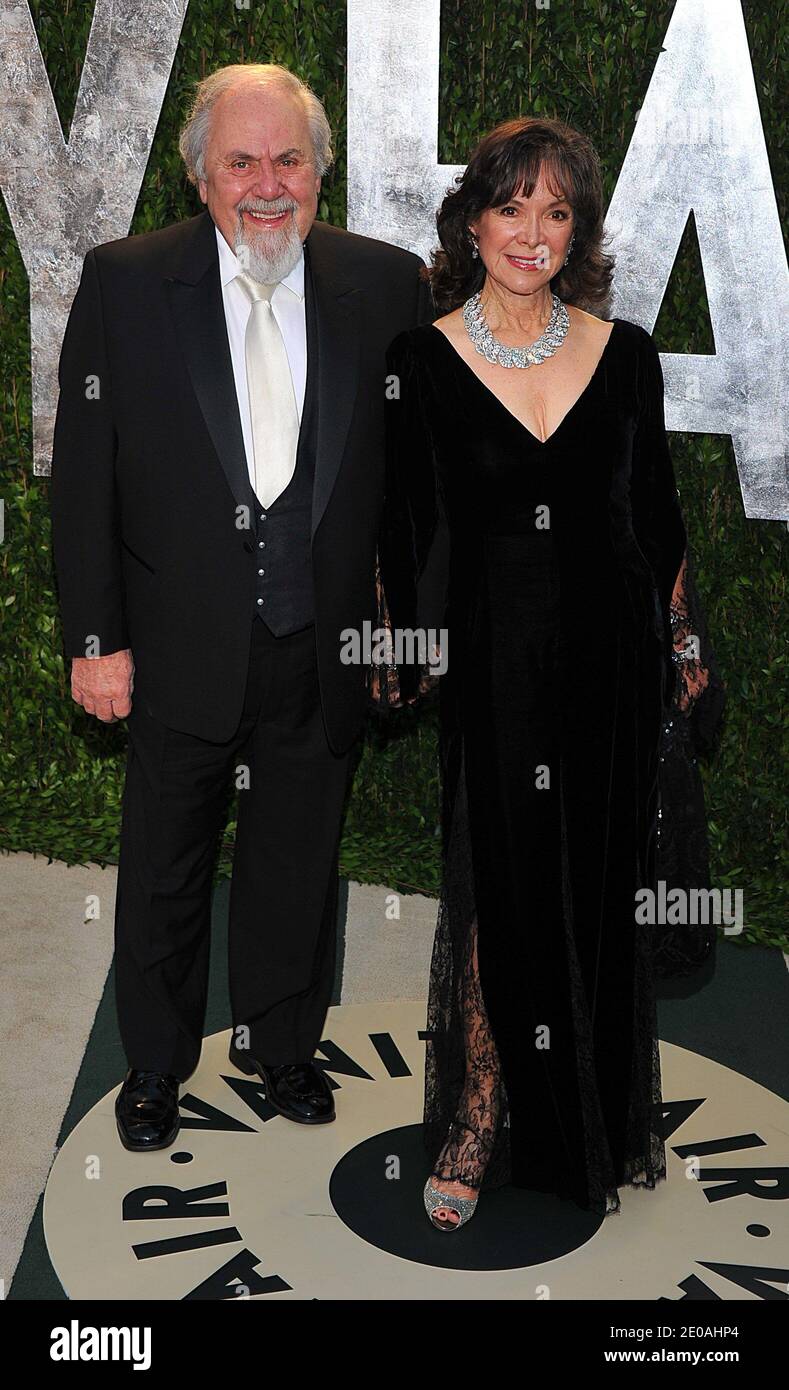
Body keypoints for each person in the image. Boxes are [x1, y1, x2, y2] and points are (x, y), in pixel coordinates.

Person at [50, 63, 432, 1152]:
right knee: (164, 870)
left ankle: (284, 1045)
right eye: (242, 162)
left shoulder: (386, 283)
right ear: (202, 177)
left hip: (319, 648)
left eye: (290, 160)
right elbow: (86, 480)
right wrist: (97, 640)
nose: (269, 184)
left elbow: (410, 491)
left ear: (320, 170)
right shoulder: (126, 282)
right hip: (175, 650)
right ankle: (156, 1069)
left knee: (295, 864)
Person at [377, 116, 691, 1229]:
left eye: (556, 212)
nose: (531, 232)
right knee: (495, 887)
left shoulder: (628, 354)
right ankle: (476, 1114)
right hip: (498, 664)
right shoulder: (423, 360)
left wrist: (682, 655)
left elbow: (656, 524)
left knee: (597, 888)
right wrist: (399, 657)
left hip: (612, 663)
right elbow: (407, 532)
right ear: (471, 221)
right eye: (511, 207)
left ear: (579, 232)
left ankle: (587, 1121)